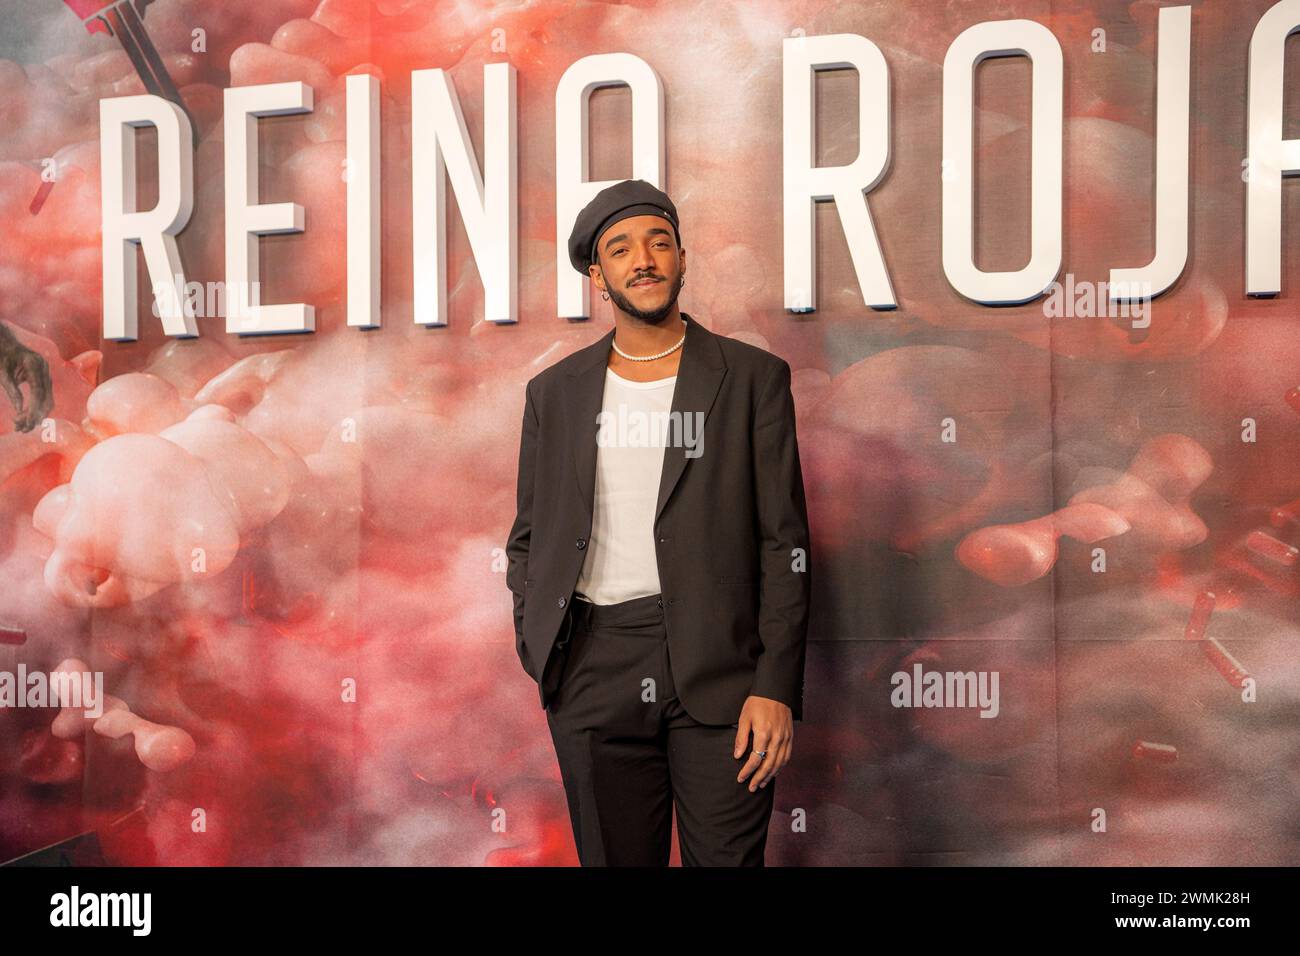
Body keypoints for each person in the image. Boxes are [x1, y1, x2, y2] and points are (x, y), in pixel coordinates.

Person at [505, 179, 811, 866]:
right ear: (598, 274)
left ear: (680, 259)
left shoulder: (753, 378)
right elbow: (530, 534)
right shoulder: (554, 394)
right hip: (591, 663)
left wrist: (775, 686)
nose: (643, 260)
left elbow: (783, 542)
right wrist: (541, 642)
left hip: (722, 666)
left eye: (658, 242)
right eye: (621, 249)